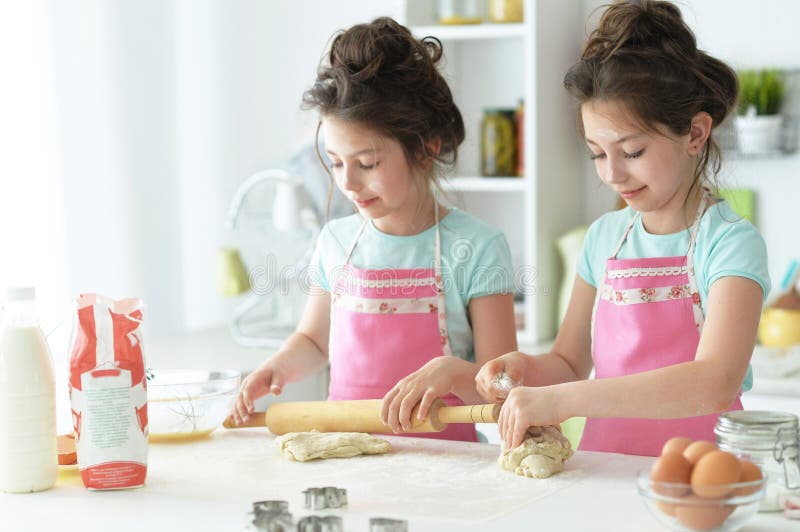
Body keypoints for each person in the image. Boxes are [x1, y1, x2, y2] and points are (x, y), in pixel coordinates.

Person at [475, 0, 770, 456]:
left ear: (695, 134)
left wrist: (564, 399)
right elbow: (571, 362)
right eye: (597, 153)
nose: (611, 174)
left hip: (698, 481)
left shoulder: (731, 244)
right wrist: (526, 369)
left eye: (631, 152)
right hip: (602, 470)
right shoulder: (604, 238)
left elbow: (713, 382)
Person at [231, 17, 518, 441]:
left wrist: (453, 373)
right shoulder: (335, 242)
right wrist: (277, 366)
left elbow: (504, 388)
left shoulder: (478, 247)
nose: (347, 182)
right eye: (336, 162)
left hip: (447, 470)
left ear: (426, 147)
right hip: (346, 456)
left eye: (367, 164)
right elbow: (313, 341)